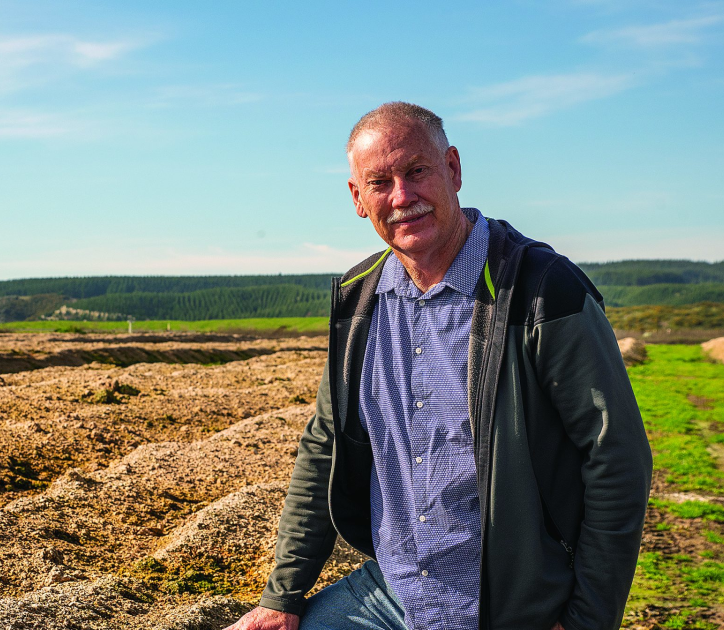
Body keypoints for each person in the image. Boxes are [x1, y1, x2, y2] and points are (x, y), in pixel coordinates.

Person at [224, 102, 652, 630]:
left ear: (452, 168)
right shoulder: (359, 303)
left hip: (508, 604)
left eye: (417, 171)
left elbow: (618, 459)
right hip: (392, 590)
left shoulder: (542, 290)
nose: (403, 197)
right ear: (358, 199)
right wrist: (282, 597)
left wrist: (586, 620)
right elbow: (325, 443)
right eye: (380, 182)